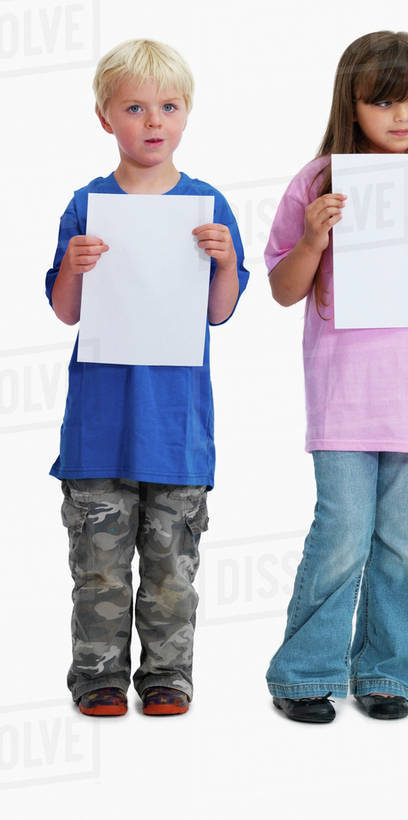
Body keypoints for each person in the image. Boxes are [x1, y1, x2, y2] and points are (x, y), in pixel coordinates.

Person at [264, 31, 408, 723]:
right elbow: (282, 289)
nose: (402, 116)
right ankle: (305, 675)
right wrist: (312, 240)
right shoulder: (319, 180)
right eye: (384, 101)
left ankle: (387, 674)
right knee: (341, 533)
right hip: (343, 396)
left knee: (405, 546)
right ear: (351, 105)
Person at [46, 38, 249, 717]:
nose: (153, 121)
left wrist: (223, 263)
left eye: (168, 106)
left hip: (177, 430)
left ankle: (168, 675)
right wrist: (73, 266)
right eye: (135, 108)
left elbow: (220, 315)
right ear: (107, 118)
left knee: (171, 573)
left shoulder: (208, 205)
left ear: (187, 114)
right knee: (98, 571)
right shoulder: (86, 205)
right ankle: (98, 675)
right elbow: (64, 312)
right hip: (99, 430)